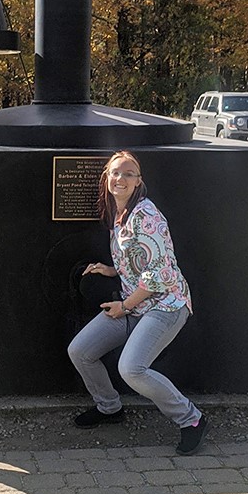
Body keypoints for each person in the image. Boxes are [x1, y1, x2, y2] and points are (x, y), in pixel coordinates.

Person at [67, 150, 208, 456]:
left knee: (132, 368)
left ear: (138, 182)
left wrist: (125, 306)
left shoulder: (146, 215)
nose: (120, 178)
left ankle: (191, 419)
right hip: (136, 303)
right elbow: (140, 259)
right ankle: (109, 407)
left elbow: (159, 273)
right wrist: (112, 269)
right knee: (80, 351)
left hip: (165, 305)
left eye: (128, 174)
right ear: (107, 177)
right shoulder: (118, 214)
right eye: (115, 172)